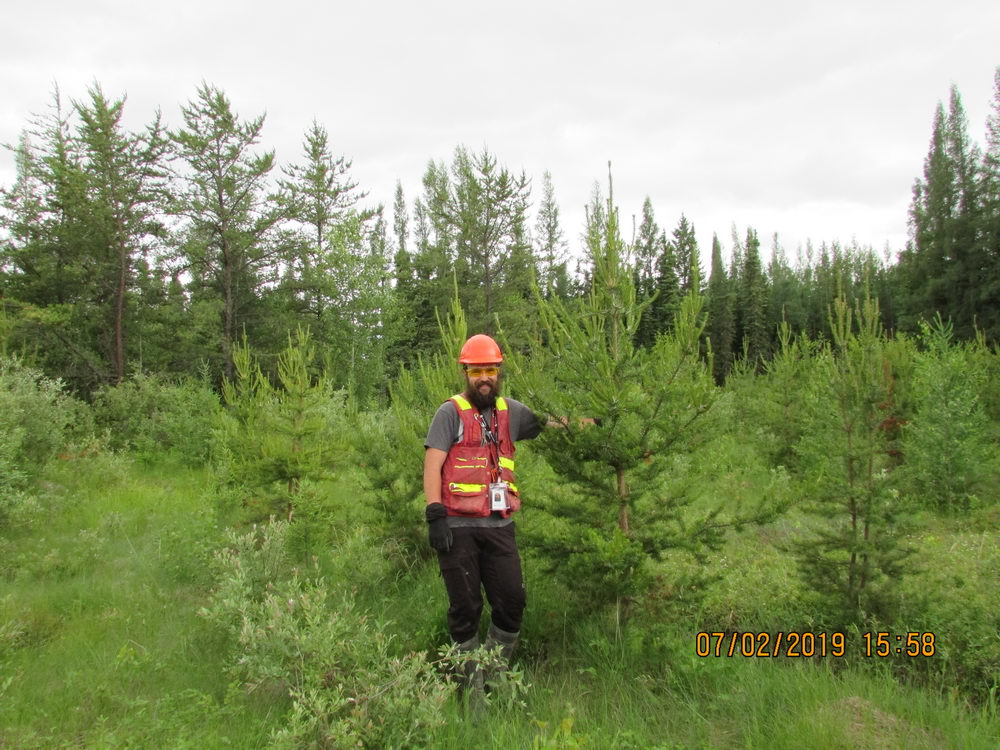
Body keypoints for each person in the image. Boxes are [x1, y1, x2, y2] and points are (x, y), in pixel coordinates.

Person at [423, 333, 544, 690]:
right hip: (457, 527)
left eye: (490, 370)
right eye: (476, 371)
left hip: (499, 526)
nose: (484, 378)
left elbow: (552, 421)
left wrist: (594, 422)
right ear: (465, 372)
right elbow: (432, 465)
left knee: (512, 602)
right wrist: (434, 514)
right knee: (466, 609)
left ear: (499, 371)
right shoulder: (450, 412)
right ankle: (470, 690)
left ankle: (491, 674)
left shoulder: (511, 412)